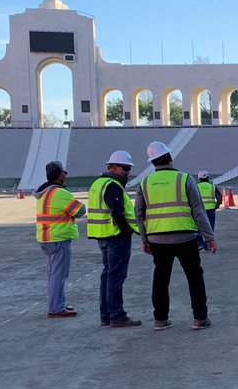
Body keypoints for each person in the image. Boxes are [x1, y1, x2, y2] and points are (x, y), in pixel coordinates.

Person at [134, 141, 216, 331]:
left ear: (152, 163)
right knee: (194, 275)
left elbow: (139, 214)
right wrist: (209, 237)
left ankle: (160, 319)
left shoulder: (144, 184)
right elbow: (199, 212)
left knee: (161, 278)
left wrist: (144, 240)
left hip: (157, 240)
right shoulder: (185, 179)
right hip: (185, 238)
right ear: (170, 157)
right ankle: (200, 318)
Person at [87, 150, 141, 327]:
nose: (127, 172)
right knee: (116, 276)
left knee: (108, 275)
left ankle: (106, 315)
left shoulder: (98, 183)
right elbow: (117, 211)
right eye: (125, 168)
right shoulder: (112, 185)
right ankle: (117, 315)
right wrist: (126, 230)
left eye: (129, 169)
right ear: (114, 167)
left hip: (102, 235)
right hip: (116, 236)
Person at [34, 160, 85, 318]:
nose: (66, 174)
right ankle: (56, 308)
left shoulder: (44, 193)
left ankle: (56, 303)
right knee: (59, 275)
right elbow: (80, 210)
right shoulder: (60, 193)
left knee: (52, 274)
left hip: (46, 238)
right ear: (59, 175)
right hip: (59, 238)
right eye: (64, 172)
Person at [195, 171, 220, 250]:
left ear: (199, 178)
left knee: (198, 226)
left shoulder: (196, 186)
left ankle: (200, 243)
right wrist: (216, 206)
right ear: (208, 177)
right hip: (210, 210)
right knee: (209, 227)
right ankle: (208, 245)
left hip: (199, 210)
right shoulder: (212, 187)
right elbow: (219, 198)